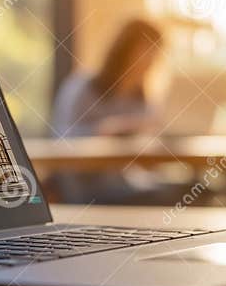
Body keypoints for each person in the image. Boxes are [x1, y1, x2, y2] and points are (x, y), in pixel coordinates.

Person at [50, 18, 177, 204]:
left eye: (155, 52)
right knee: (163, 199)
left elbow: (147, 151)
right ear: (124, 51)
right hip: (87, 188)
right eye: (144, 50)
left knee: (190, 190)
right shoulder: (83, 87)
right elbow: (61, 140)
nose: (150, 59)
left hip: (126, 182)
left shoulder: (142, 99)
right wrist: (102, 131)